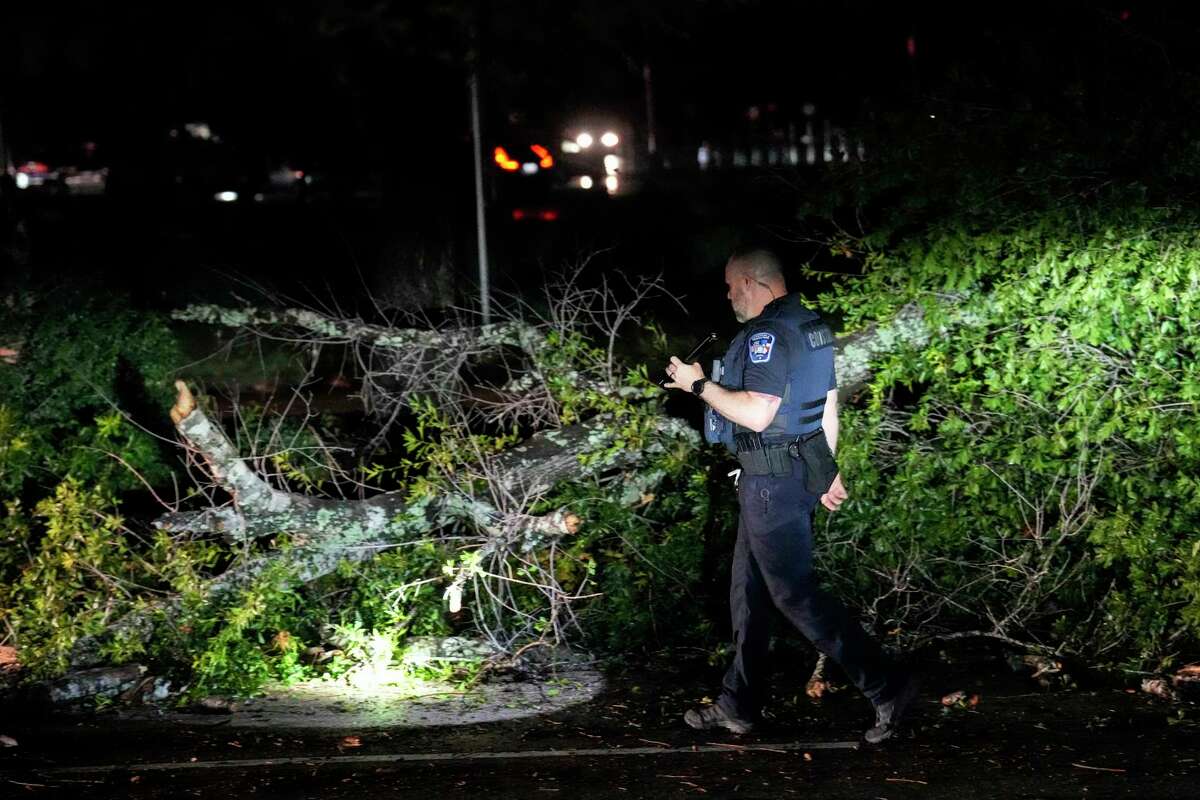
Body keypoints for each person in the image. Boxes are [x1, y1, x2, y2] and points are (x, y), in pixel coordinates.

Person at [662, 249, 917, 744]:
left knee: (794, 595)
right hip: (788, 475)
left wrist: (698, 386)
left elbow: (756, 414)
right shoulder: (811, 326)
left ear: (755, 284)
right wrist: (827, 470)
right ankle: (740, 705)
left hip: (772, 486)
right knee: (748, 595)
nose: (730, 295)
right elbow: (827, 406)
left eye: (733, 286)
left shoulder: (768, 335)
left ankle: (888, 685)